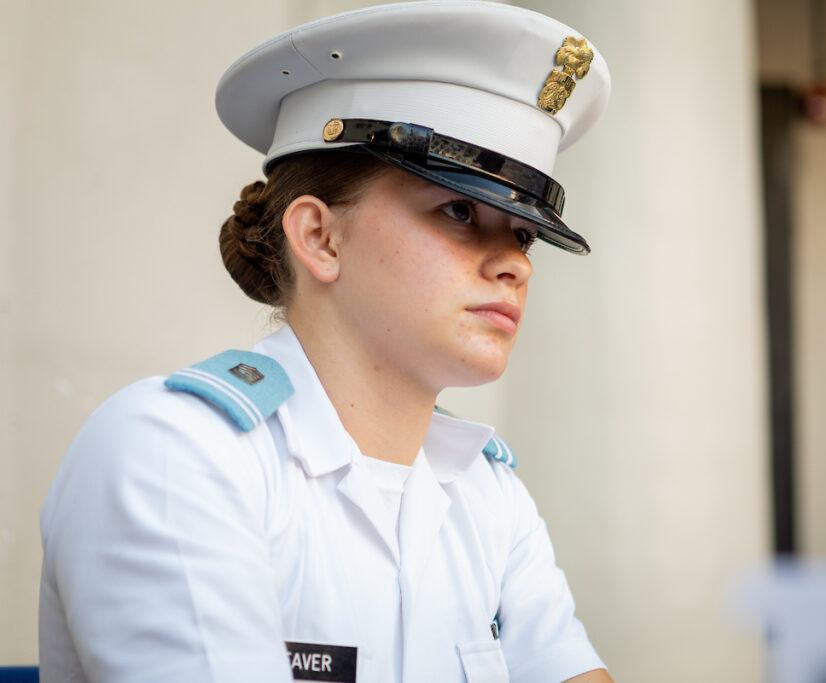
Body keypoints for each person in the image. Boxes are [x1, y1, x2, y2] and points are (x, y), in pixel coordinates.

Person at [38, 2, 612, 682]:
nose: (516, 262)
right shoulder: (174, 452)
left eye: (521, 233)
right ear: (319, 236)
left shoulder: (491, 498)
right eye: (459, 211)